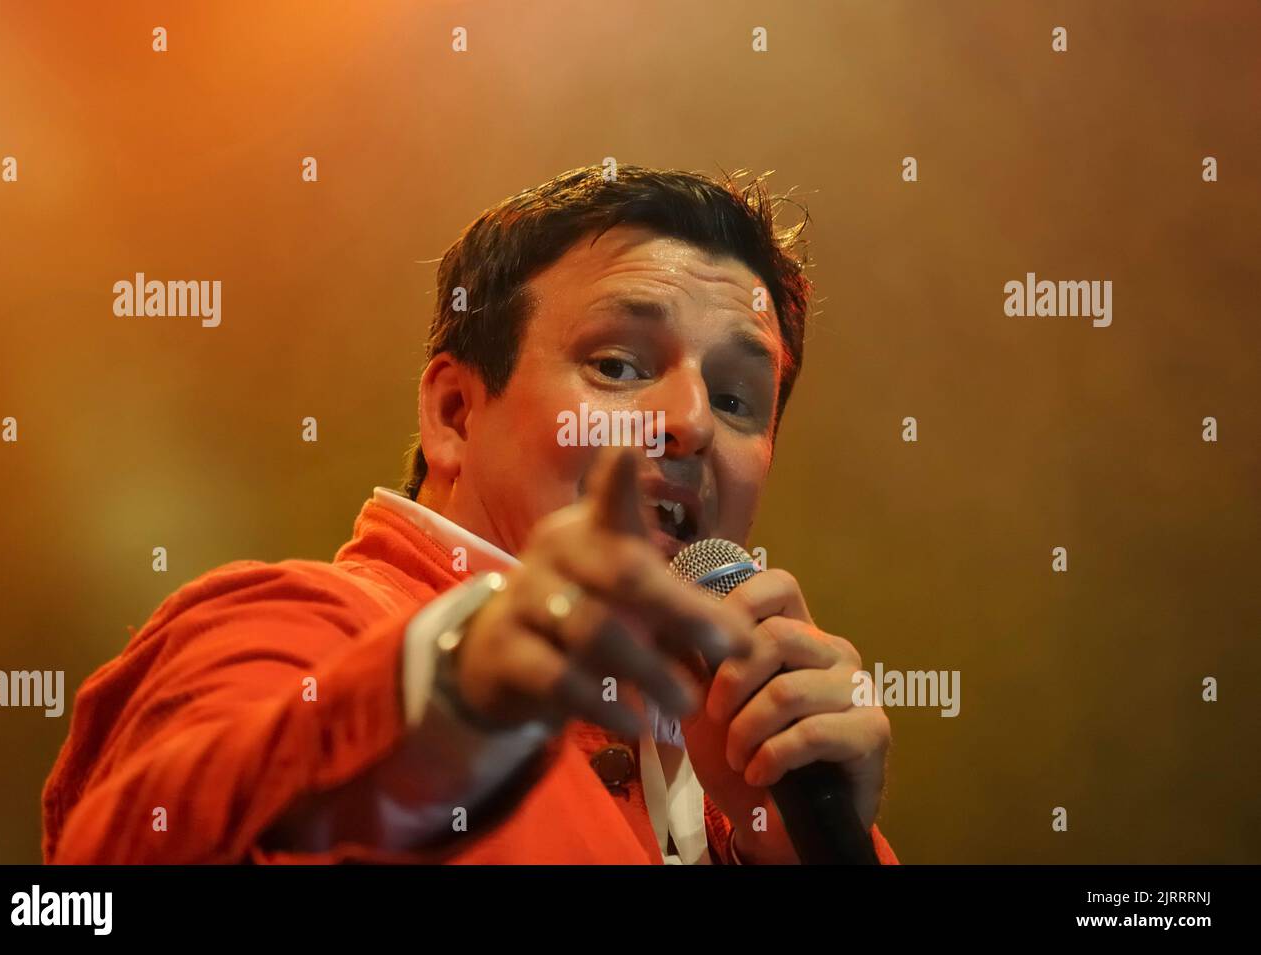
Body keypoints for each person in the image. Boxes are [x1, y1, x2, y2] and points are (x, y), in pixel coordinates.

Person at [43, 165, 898, 865]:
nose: (694, 421)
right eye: (618, 363)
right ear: (455, 412)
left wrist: (797, 850)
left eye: (738, 397)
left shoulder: (759, 787)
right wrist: (439, 713)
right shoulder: (295, 631)